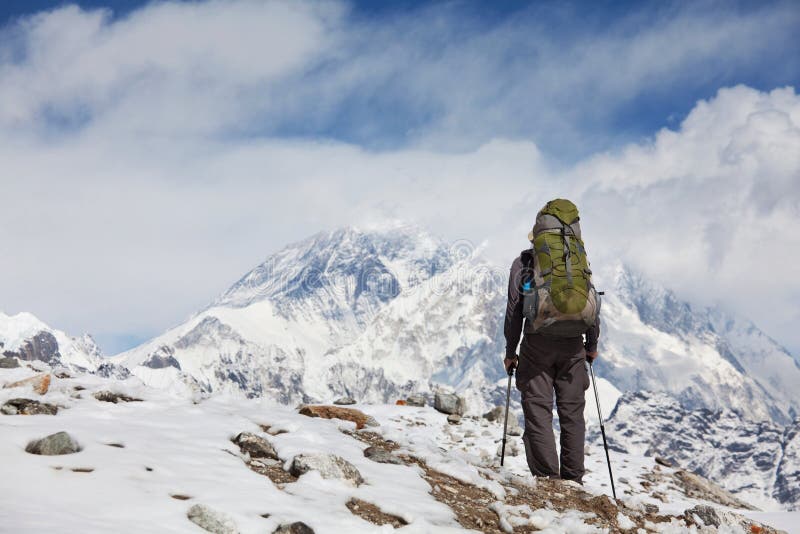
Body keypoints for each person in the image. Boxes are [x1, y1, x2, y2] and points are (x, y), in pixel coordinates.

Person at [503, 201, 600, 484]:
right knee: (572, 414)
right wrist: (591, 346)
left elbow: (514, 311)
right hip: (574, 346)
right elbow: (592, 304)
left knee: (538, 411)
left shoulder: (524, 263)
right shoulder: (578, 262)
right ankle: (573, 480)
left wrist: (511, 352)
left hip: (537, 345)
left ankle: (548, 479)